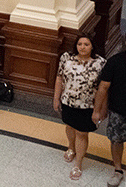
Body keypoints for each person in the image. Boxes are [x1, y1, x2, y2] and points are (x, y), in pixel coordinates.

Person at [51, 34, 106, 180]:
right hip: (68, 102)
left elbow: (103, 88)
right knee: (69, 126)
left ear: (92, 46)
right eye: (80, 44)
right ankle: (71, 147)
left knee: (81, 133)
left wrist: (100, 109)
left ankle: (79, 163)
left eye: (86, 44)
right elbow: (59, 77)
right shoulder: (66, 58)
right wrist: (56, 98)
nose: (82, 47)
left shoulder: (100, 63)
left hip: (87, 105)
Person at [93, 47, 126, 186]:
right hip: (118, 110)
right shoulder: (115, 61)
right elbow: (103, 87)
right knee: (116, 140)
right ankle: (118, 170)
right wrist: (97, 110)